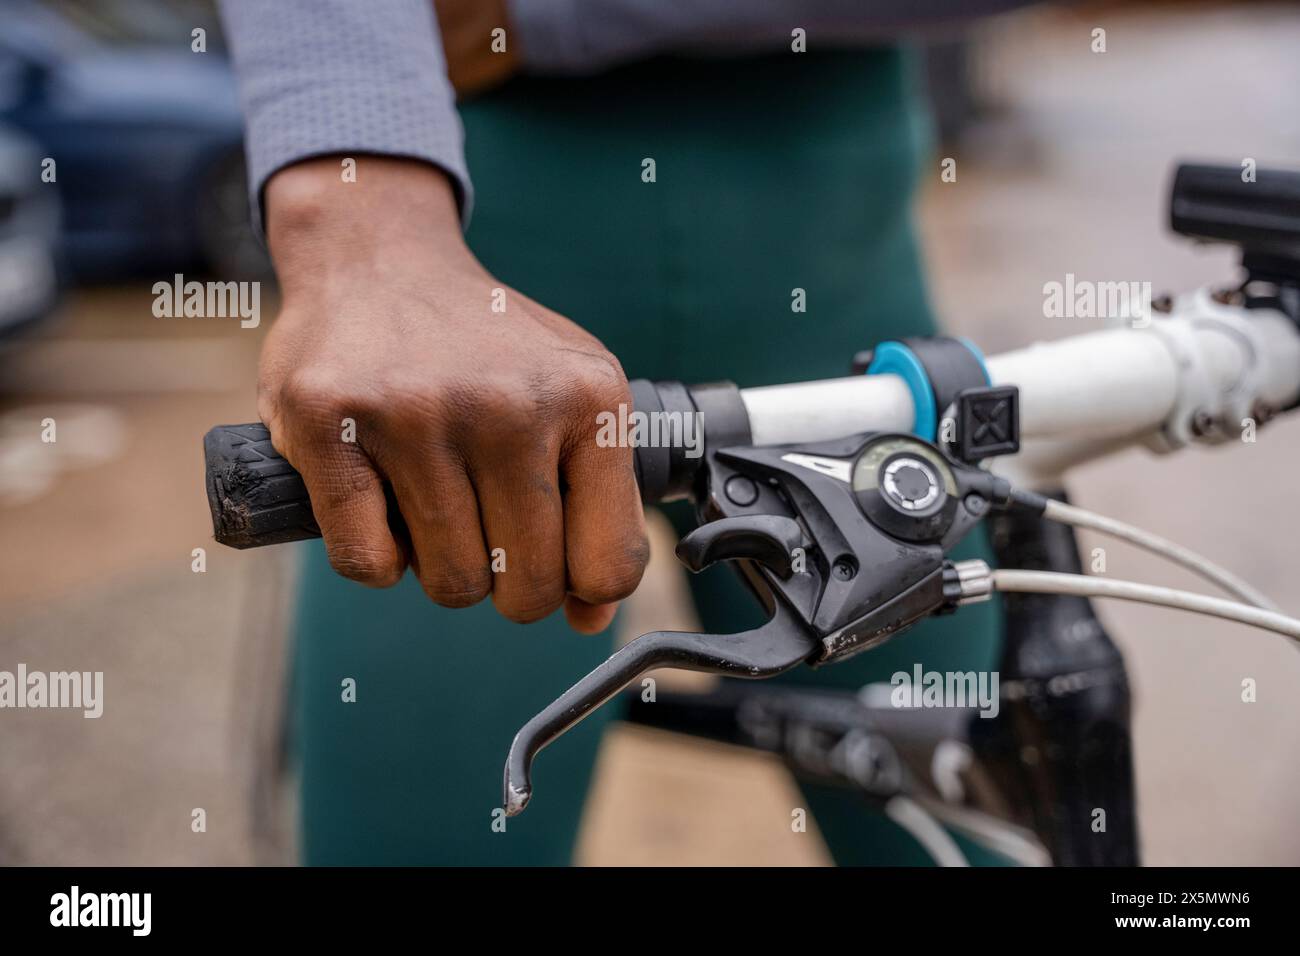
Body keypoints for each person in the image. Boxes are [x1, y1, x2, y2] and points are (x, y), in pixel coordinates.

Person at [218, 0, 1029, 865]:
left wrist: (532, 14)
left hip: (827, 227)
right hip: (458, 231)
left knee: (965, 827)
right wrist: (355, 216)